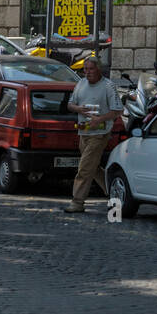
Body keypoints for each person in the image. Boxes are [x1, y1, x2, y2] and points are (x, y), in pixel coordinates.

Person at [64, 58, 122, 213]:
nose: (87, 72)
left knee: (84, 168)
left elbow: (118, 110)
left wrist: (100, 119)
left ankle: (77, 202)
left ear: (98, 69)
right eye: (85, 69)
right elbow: (70, 105)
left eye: (90, 69)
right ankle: (115, 192)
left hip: (100, 134)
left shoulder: (108, 86)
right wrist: (79, 109)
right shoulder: (81, 84)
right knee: (93, 167)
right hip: (83, 132)